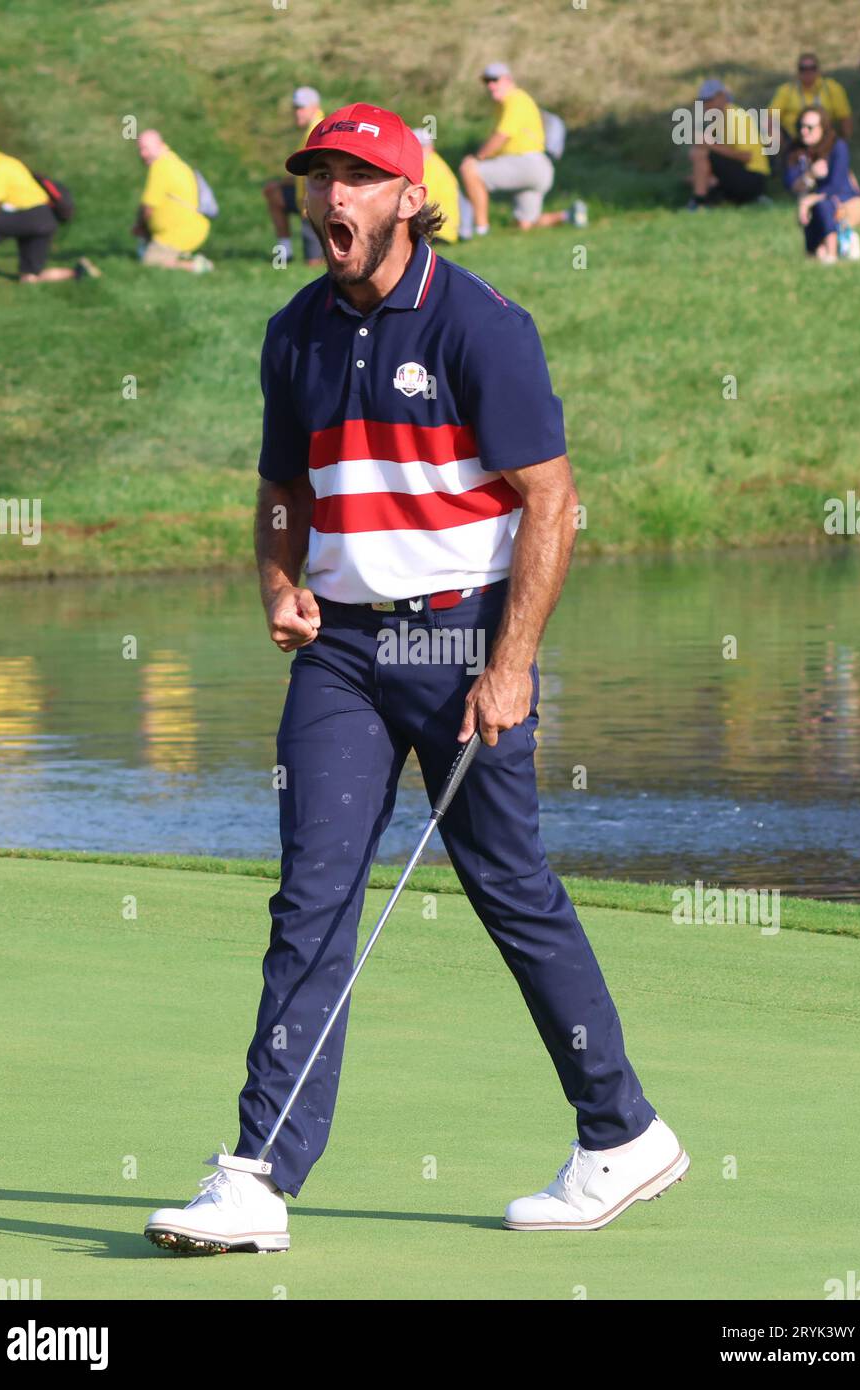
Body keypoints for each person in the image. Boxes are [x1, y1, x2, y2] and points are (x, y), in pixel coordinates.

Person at [144, 102, 688, 1255]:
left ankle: (623, 1132)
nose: (331, 198)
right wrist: (278, 576)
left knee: (509, 885)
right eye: (318, 178)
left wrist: (513, 663)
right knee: (311, 897)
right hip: (340, 651)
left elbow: (550, 497)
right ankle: (256, 1174)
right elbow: (284, 487)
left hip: (459, 645)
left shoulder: (481, 326)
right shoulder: (292, 332)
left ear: (405, 197)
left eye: (356, 178)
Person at [0, 134, 99, 289]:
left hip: (31, 216)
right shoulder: (2, 162)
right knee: (30, 278)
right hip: (44, 220)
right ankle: (79, 271)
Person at [459, 63, 585, 233]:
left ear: (508, 80)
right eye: (487, 81)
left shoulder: (515, 99)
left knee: (469, 169)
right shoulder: (508, 103)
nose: (490, 85)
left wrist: (478, 157)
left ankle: (481, 228)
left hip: (527, 164)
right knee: (525, 225)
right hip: (540, 170)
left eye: (495, 80)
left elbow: (501, 136)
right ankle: (568, 216)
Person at [783, 108, 860, 262]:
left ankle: (832, 253)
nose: (804, 131)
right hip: (814, 208)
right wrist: (810, 175)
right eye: (801, 126)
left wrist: (808, 200)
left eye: (810, 127)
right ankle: (841, 244)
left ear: (823, 128)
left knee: (824, 205)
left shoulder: (837, 146)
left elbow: (836, 185)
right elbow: (790, 183)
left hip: (843, 199)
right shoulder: (796, 150)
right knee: (813, 254)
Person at [132, 129, 213, 273]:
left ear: (160, 145)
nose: (143, 154)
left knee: (151, 262)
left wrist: (141, 227)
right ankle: (183, 257)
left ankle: (196, 265)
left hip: (180, 232)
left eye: (146, 149)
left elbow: (148, 207)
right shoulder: (172, 160)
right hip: (188, 228)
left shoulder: (160, 167)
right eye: (140, 149)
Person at [263, 86, 325, 266]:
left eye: (302, 108)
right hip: (302, 197)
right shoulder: (309, 131)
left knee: (313, 265)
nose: (297, 113)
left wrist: (310, 200)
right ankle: (284, 254)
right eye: (295, 108)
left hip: (312, 201)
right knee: (273, 193)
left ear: (315, 107)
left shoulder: (317, 131)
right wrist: (283, 183)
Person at [686, 80, 770, 209]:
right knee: (698, 158)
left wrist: (709, 145)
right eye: (703, 101)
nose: (706, 105)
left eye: (709, 100)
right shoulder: (719, 120)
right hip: (739, 176)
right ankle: (705, 198)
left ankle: (699, 202)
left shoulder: (737, 117)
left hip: (752, 178)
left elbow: (746, 156)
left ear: (722, 97)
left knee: (701, 153)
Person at [770, 53, 853, 144]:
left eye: (812, 68)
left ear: (818, 70)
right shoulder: (787, 90)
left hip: (823, 139)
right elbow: (770, 116)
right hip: (794, 140)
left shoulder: (831, 88)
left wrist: (845, 141)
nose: (807, 72)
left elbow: (845, 116)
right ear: (798, 71)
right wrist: (776, 138)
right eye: (803, 68)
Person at [411, 126, 460, 243]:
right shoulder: (435, 162)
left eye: (422, 146)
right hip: (440, 230)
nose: (419, 150)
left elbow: (422, 200)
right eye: (416, 146)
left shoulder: (430, 167)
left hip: (439, 232)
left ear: (431, 147)